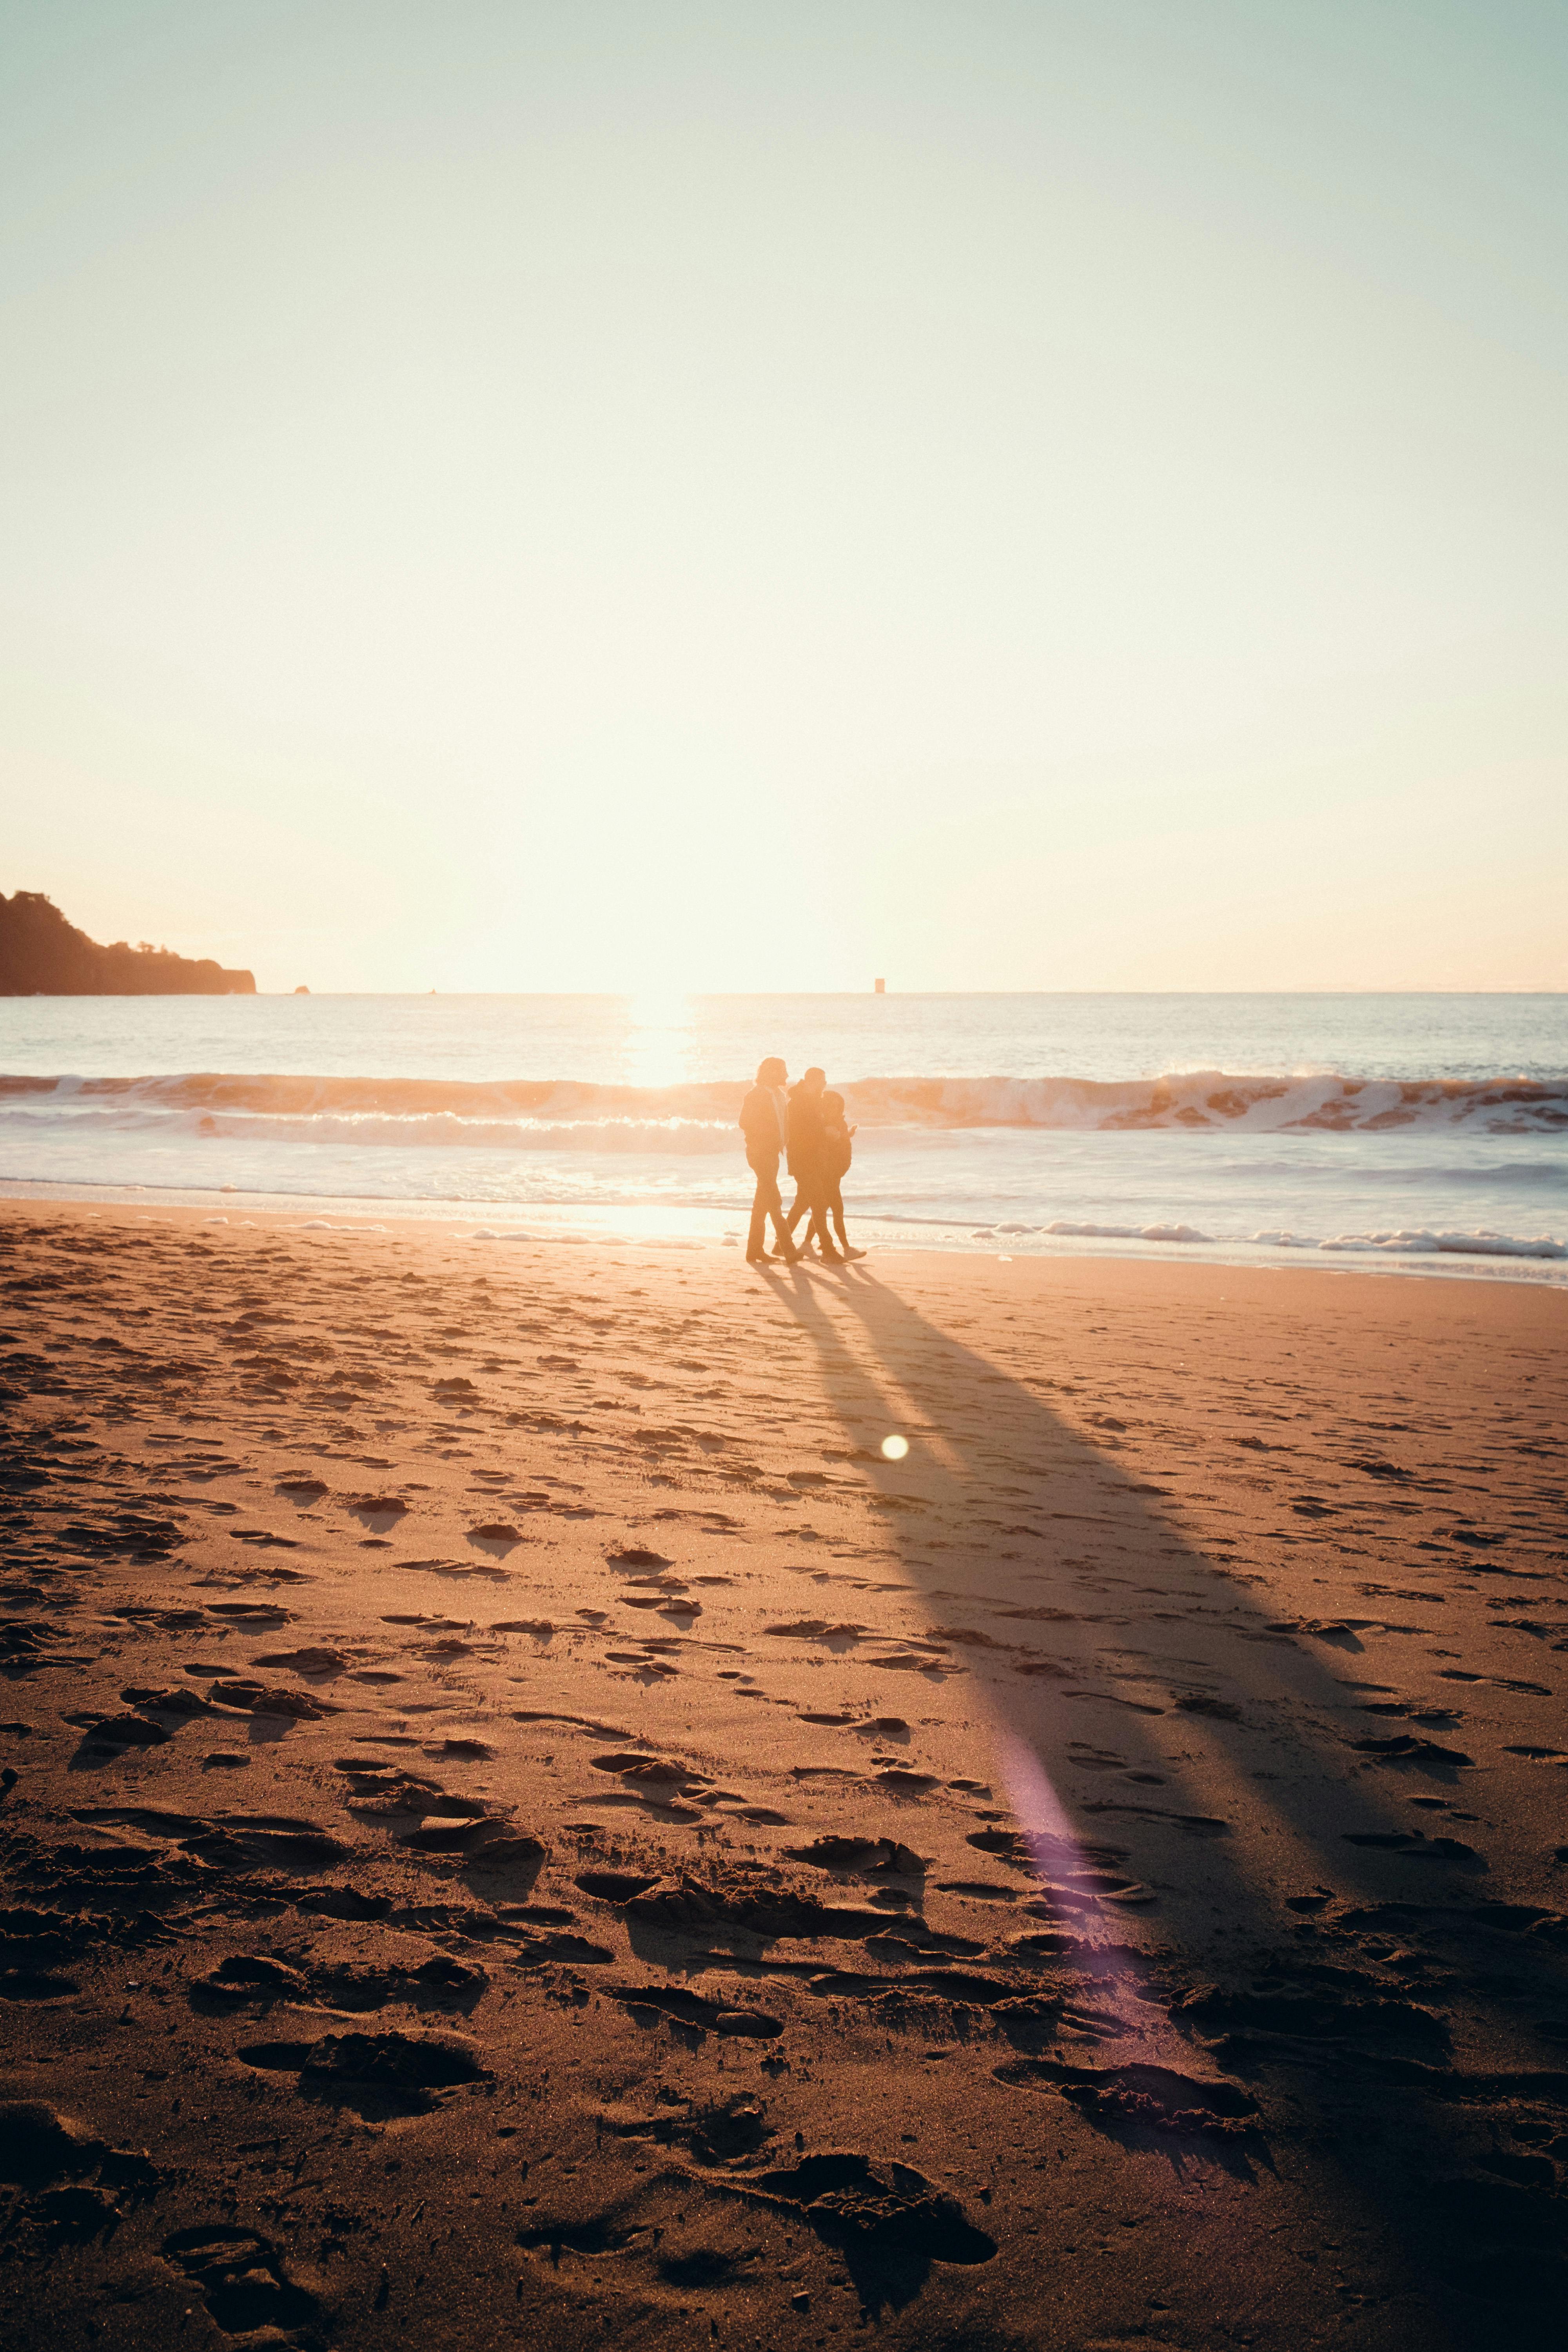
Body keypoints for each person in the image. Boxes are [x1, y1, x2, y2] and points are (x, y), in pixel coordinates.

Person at [739, 1057, 799, 1265]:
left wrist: (785, 1143)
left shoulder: (780, 1096)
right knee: (774, 1200)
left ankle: (754, 1251)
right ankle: (788, 1248)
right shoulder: (756, 1095)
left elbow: (784, 1124)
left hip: (773, 1153)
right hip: (760, 1153)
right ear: (772, 1072)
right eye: (783, 1071)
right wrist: (767, 1138)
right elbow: (745, 1122)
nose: (787, 1075)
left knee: (762, 1203)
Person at [786, 1067, 841, 1262]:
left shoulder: (813, 1101)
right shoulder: (798, 1103)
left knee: (803, 1203)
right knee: (819, 1203)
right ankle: (828, 1251)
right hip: (803, 1160)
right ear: (813, 1081)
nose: (825, 1084)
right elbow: (799, 1133)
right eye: (822, 1080)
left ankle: (781, 1244)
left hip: (815, 1160)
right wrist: (825, 1132)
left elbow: (814, 1129)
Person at [818, 1088, 866, 1259]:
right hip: (829, 1172)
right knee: (836, 1208)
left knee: (822, 1208)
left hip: (836, 1171)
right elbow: (832, 1142)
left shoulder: (838, 1121)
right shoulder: (826, 1124)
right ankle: (846, 1247)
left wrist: (847, 1134)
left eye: (838, 1106)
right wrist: (845, 1135)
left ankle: (811, 1243)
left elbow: (839, 1140)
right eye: (832, 1106)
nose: (836, 1109)